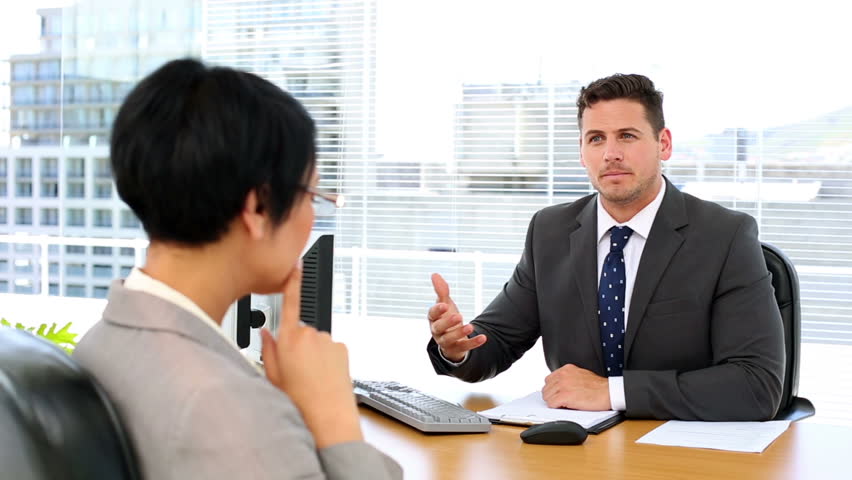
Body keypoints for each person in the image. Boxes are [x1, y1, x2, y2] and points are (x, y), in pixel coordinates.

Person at [74, 58, 402, 479]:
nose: (312, 218)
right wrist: (333, 416)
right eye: (311, 195)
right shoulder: (226, 408)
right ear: (259, 207)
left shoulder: (105, 340)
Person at [426, 73, 786, 421]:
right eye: (596, 138)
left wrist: (612, 392)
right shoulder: (550, 231)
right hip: (578, 448)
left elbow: (757, 385)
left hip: (678, 451)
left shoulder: (725, 236)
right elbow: (497, 341)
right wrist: (456, 347)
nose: (611, 153)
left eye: (627, 136)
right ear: (583, 152)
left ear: (664, 144)